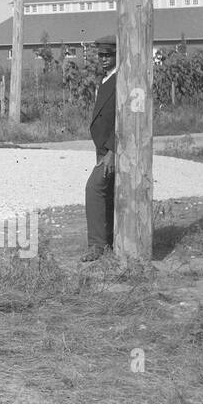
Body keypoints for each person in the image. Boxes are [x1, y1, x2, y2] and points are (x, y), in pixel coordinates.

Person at [82, 34, 118, 262]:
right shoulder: (106, 79)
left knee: (94, 189)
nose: (104, 59)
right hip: (102, 148)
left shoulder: (122, 80)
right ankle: (108, 242)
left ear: (117, 55)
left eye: (108, 55)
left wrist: (113, 151)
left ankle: (96, 245)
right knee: (108, 195)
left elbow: (125, 118)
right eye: (101, 55)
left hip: (112, 150)